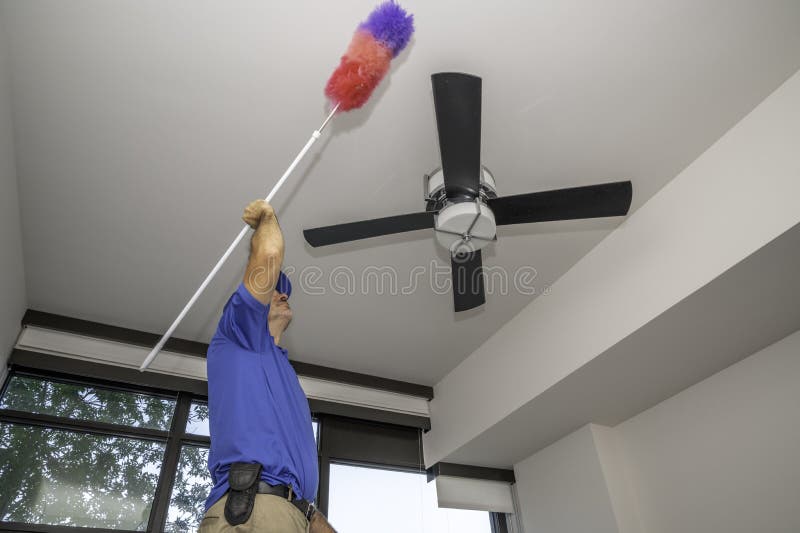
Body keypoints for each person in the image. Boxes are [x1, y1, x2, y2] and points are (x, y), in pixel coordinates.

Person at [199, 200, 336, 532]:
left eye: (284, 292)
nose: (282, 295)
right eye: (274, 290)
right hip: (253, 511)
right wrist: (267, 219)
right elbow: (269, 254)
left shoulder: (284, 371)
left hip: (290, 514)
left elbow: (293, 483)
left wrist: (312, 518)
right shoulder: (237, 337)